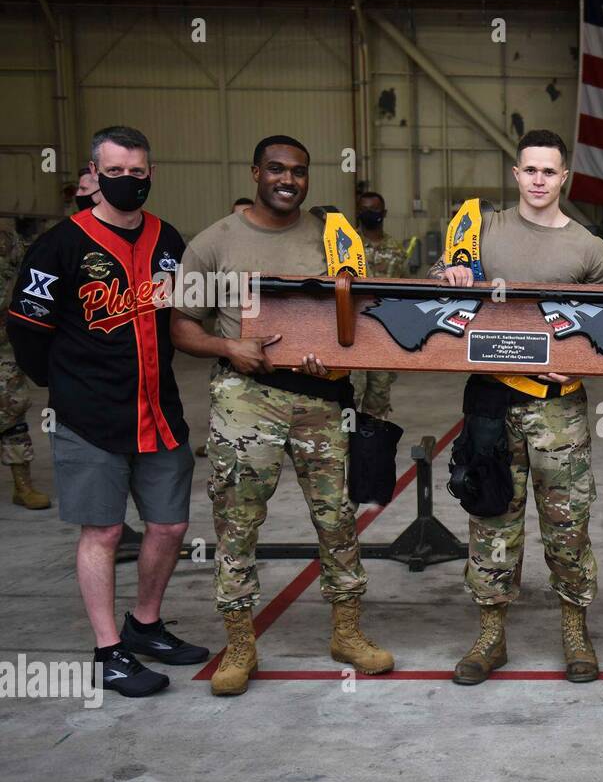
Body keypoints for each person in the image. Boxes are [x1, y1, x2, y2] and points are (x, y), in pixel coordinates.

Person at [171, 134, 393, 696]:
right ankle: (241, 645)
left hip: (320, 399)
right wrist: (230, 349)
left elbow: (360, 315)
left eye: (298, 171)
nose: (287, 180)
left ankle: (347, 631)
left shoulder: (331, 237)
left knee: (338, 519)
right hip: (247, 397)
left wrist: (337, 355)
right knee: (238, 523)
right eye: (276, 169)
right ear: (255, 173)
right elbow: (182, 328)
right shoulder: (212, 243)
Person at [6, 125, 207, 696]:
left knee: (168, 524)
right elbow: (26, 329)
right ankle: (108, 651)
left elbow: (186, 316)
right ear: (94, 174)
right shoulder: (59, 245)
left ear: (151, 173)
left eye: (137, 171)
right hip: (89, 418)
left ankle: (144, 625)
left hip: (158, 411)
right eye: (115, 172)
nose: (127, 181)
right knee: (104, 530)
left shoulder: (169, 240)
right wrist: (61, 384)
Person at [431, 129, 603, 684]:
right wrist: (449, 272)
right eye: (529, 170)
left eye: (548, 171)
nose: (538, 180)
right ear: (516, 174)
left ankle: (575, 628)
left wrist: (582, 364)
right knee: (490, 517)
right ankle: (491, 634)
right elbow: (436, 300)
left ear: (564, 178)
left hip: (558, 408)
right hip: (490, 399)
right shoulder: (478, 232)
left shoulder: (589, 248)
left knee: (567, 524)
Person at [0, 215, 52, 509]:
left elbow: (33, 275)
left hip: (4, 341)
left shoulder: (8, 242)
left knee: (12, 406)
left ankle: (22, 485)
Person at [349, 190, 405, 421]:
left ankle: (373, 448)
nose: (369, 213)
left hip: (384, 332)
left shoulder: (396, 249)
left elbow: (402, 294)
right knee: (351, 392)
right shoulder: (348, 245)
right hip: (353, 332)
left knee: (379, 395)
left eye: (374, 209)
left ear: (384, 213)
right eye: (364, 209)